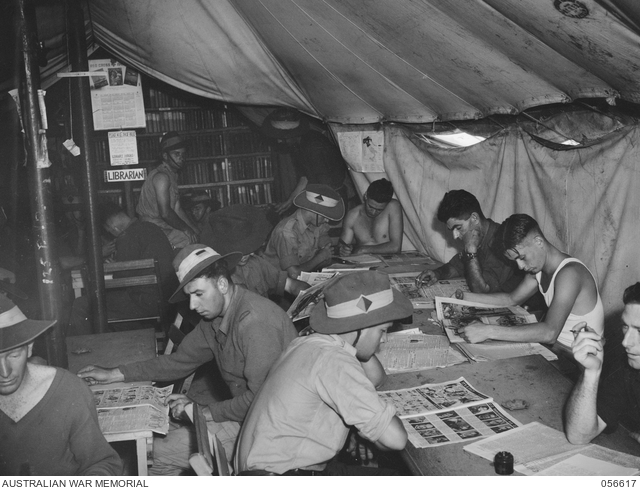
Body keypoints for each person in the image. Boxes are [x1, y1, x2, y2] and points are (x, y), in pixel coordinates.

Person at [77, 244, 298, 476]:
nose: (192, 305)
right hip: (249, 416)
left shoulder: (255, 323)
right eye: (189, 296)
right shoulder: (215, 319)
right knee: (160, 435)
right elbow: (177, 362)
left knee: (156, 454)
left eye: (199, 294)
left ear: (222, 284)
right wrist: (114, 373)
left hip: (274, 431)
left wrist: (203, 411)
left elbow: (261, 401)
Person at [235, 271, 412, 475]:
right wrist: (373, 431)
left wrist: (362, 338)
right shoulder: (334, 361)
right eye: (382, 330)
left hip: (265, 470)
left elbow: (376, 378)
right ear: (361, 326)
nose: (384, 340)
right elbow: (397, 439)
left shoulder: (311, 342)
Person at [0, 295, 122, 476]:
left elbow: (101, 462)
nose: (4, 372)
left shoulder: (68, 390)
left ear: (30, 348)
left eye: (14, 355)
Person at [457, 213, 603, 349]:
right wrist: (463, 298)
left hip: (578, 358)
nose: (520, 266)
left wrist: (488, 331)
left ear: (538, 241)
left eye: (521, 257)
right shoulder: (539, 269)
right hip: (559, 350)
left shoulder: (569, 274)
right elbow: (511, 299)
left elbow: (550, 333)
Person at [68, 202, 179, 335]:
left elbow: (121, 280)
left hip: (145, 303)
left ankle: (87, 351)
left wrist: (112, 266)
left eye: (109, 231)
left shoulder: (126, 236)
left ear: (113, 227)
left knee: (81, 304)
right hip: (167, 300)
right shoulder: (151, 227)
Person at [564, 282, 640, 444]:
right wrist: (591, 372)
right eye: (626, 327)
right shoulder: (627, 369)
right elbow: (578, 435)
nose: (626, 342)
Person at [415, 189, 522, 294]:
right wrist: (437, 273)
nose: (455, 236)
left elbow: (481, 290)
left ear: (474, 218)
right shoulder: (479, 237)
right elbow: (456, 266)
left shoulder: (501, 242)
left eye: (458, 227)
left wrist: (471, 250)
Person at [201, 204, 309, 298]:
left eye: (249, 248)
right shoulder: (218, 276)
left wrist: (310, 294)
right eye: (242, 250)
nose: (250, 253)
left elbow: (290, 285)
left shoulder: (255, 263)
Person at [261, 108, 348, 214]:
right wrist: (289, 202)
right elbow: (304, 177)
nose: (279, 141)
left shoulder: (314, 146)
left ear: (293, 134)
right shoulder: (298, 145)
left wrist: (309, 210)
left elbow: (326, 185)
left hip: (332, 200)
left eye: (282, 138)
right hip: (321, 195)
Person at [263, 184, 344, 279]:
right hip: (280, 283)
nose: (327, 220)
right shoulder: (287, 232)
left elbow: (323, 235)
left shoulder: (316, 221)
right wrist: (320, 257)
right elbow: (294, 274)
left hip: (305, 275)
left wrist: (331, 248)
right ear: (315, 211)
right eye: (325, 216)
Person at [136, 131, 199, 250]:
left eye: (182, 154)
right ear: (165, 156)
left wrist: (194, 229)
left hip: (163, 226)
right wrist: (186, 230)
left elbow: (177, 209)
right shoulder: (161, 177)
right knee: (187, 240)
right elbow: (165, 213)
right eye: (176, 154)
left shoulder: (172, 176)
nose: (181, 158)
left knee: (196, 235)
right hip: (151, 229)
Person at [339, 178, 404, 256]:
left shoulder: (393, 206)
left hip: (388, 265)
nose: (373, 212)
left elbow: (396, 247)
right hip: (362, 264)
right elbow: (342, 245)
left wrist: (363, 249)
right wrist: (342, 250)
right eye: (370, 206)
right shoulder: (353, 215)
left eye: (379, 210)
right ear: (366, 196)